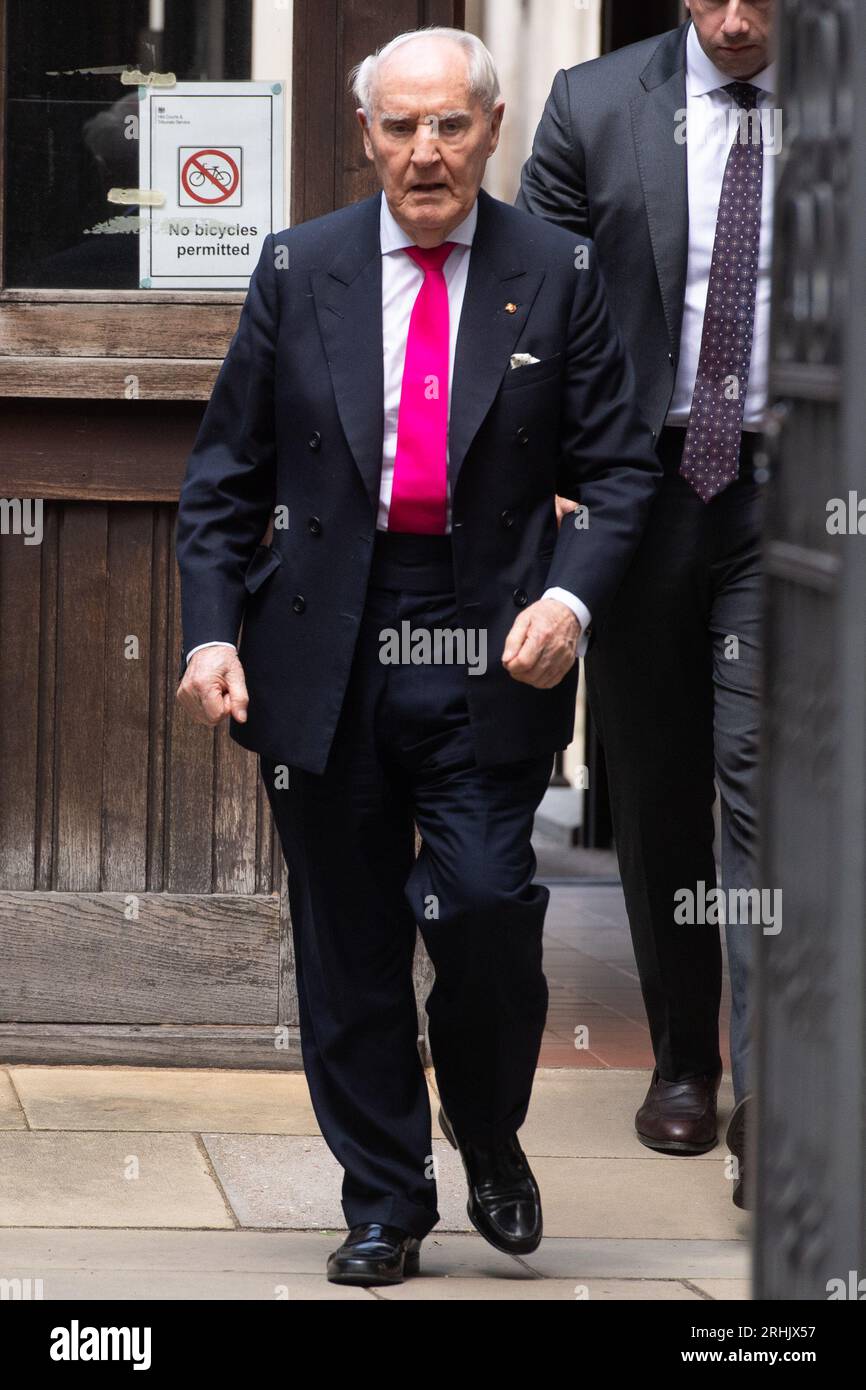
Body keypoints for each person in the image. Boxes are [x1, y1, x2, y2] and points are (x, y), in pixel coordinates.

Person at [176, 27, 660, 1285]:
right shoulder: (302, 266)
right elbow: (224, 477)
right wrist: (212, 628)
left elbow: (615, 472)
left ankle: (487, 1131)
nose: (424, 151)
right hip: (321, 644)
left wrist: (571, 604)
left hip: (489, 641)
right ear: (365, 135)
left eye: (449, 124)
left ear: (491, 128)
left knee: (488, 910)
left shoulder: (553, 268)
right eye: (400, 126)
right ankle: (384, 1200)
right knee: (347, 942)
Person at [518, 0, 777, 1207]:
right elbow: (534, 297)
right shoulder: (589, 105)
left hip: (796, 486)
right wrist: (551, 473)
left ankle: (778, 1096)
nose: (734, 20)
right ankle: (682, 1060)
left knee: (765, 776)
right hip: (637, 487)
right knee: (660, 780)